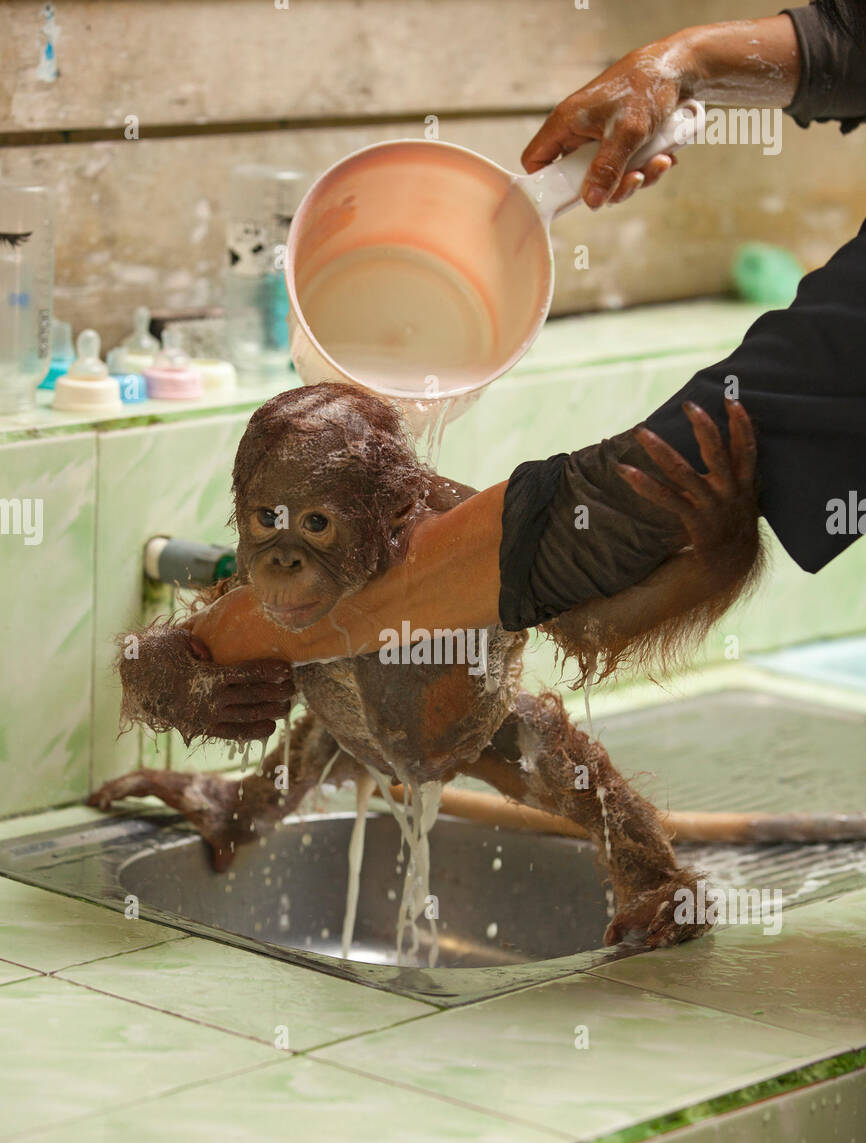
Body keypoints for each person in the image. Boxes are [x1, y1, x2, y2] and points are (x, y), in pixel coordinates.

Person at [153, 4, 866, 737]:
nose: (284, 556)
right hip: (368, 742)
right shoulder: (311, 534)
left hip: (487, 731)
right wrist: (686, 62)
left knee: (706, 461)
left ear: (390, 505)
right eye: (266, 523)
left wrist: (719, 560)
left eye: (311, 523)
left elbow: (588, 616)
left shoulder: (419, 507)